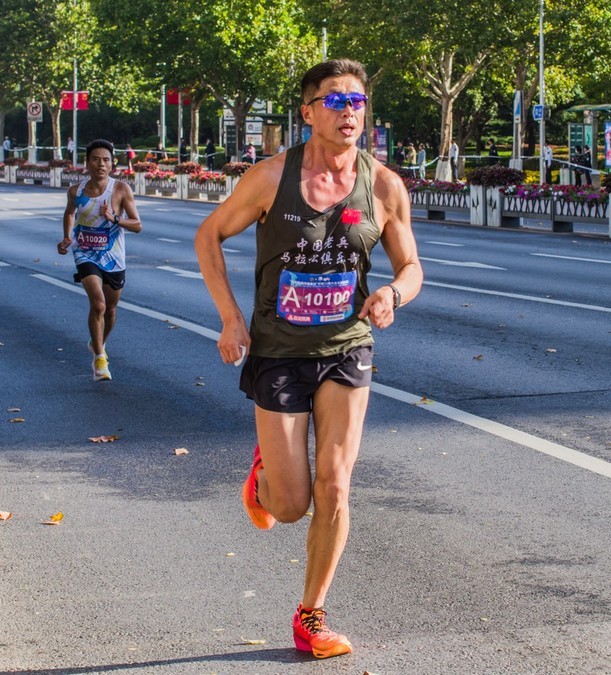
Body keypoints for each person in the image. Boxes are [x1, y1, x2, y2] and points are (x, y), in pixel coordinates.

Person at [194, 58, 422, 660]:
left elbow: (412, 267)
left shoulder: (385, 186)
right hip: (278, 352)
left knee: (337, 486)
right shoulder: (272, 178)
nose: (349, 111)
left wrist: (392, 294)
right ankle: (265, 475)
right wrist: (230, 317)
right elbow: (209, 234)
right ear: (308, 112)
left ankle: (311, 615)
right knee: (291, 504)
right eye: (335, 100)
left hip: (347, 348)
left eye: (357, 101)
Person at [56, 139, 142, 381]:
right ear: (87, 163)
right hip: (85, 252)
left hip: (113, 256)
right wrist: (66, 238)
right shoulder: (76, 191)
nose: (100, 164)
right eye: (95, 159)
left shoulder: (121, 189)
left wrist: (114, 218)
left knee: (111, 310)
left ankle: (98, 343)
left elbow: (137, 225)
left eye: (105, 160)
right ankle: (100, 359)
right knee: (99, 305)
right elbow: (70, 213)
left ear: (112, 165)